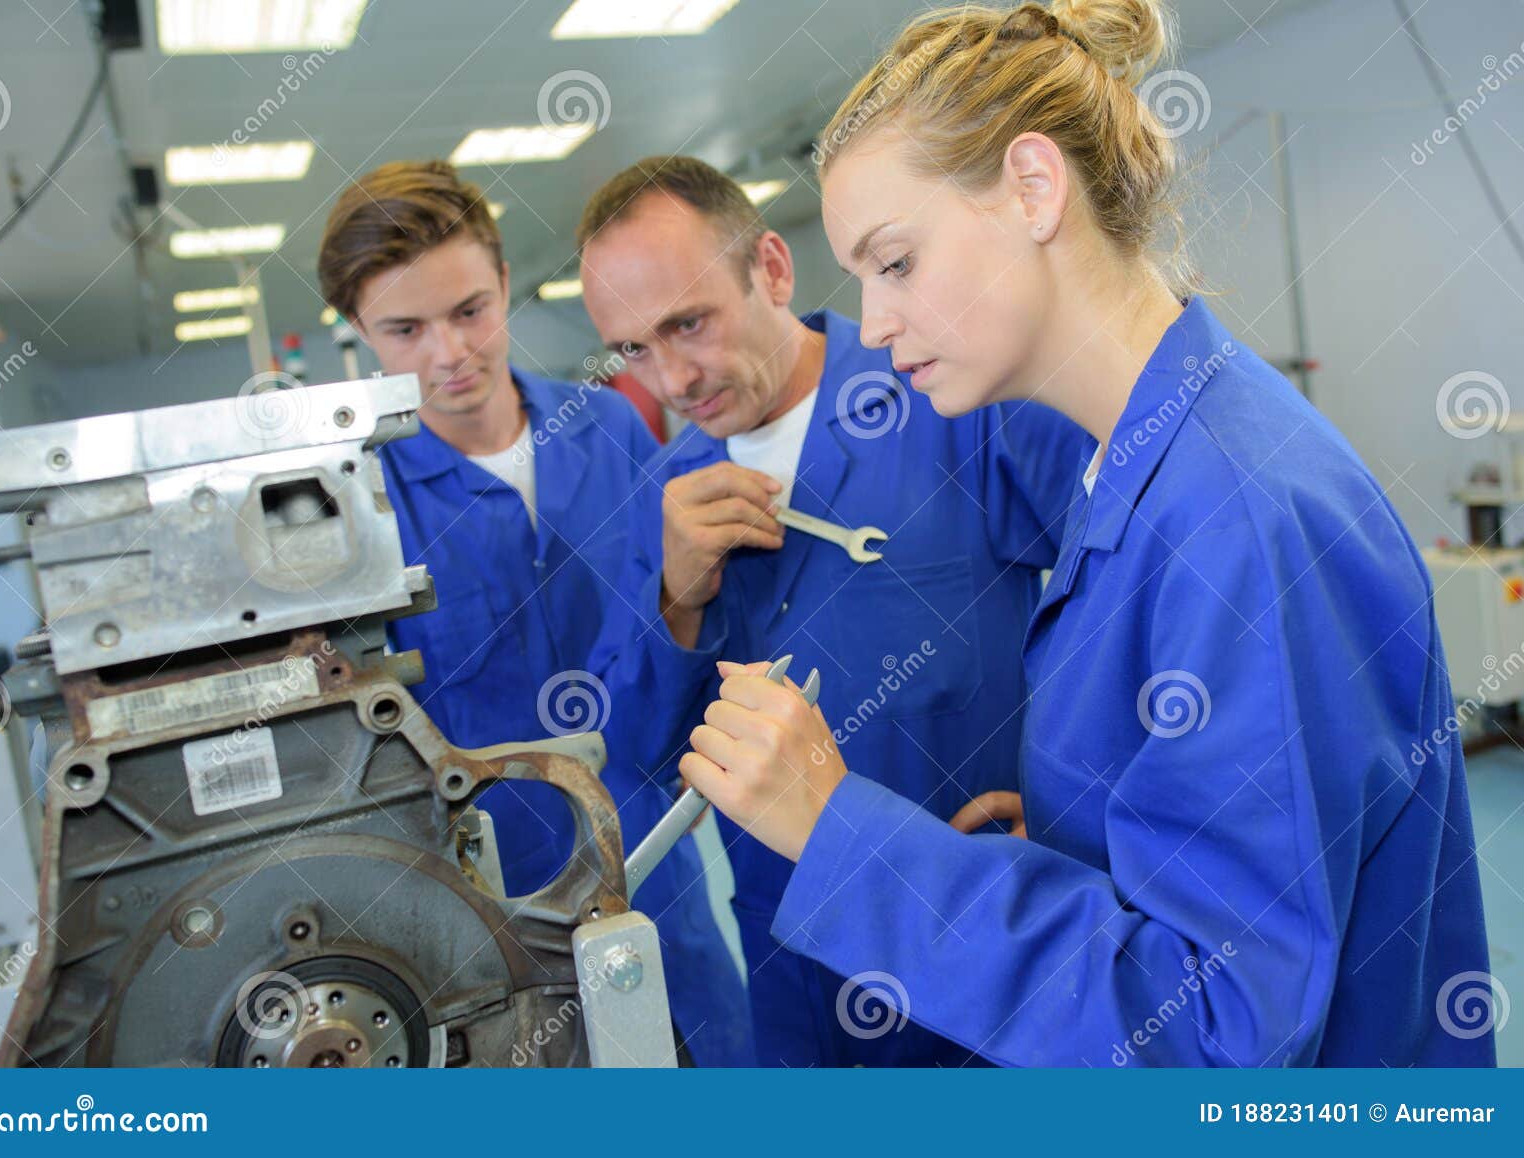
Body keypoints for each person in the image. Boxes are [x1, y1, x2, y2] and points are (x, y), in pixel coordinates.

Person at [678, 0, 1496, 1066]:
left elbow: (1219, 1039)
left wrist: (843, 839)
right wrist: (1082, 835)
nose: (871, 327)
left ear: (1031, 187)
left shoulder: (1235, 514)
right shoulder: (1140, 462)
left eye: (895, 262)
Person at [577, 155, 1088, 1066]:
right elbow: (647, 754)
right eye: (632, 351)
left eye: (688, 323)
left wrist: (1077, 811)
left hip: (962, 926)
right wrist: (677, 595)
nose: (672, 378)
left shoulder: (951, 399)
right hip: (791, 952)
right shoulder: (668, 494)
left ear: (772, 269)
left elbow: (1126, 599)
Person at [317, 161, 750, 1066]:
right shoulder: (360, 502)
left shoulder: (614, 431)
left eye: (470, 310)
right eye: (405, 329)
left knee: (713, 1063)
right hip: (482, 890)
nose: (449, 353)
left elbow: (675, 622)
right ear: (358, 332)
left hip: (647, 846)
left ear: (507, 283)